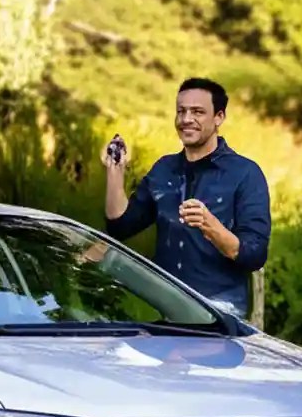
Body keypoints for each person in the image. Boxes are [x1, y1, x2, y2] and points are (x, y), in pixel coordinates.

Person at [100, 77, 271, 318]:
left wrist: (211, 227)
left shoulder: (245, 173)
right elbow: (120, 226)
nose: (186, 119)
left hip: (219, 312)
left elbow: (254, 255)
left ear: (219, 117)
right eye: (181, 111)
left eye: (198, 112)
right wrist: (115, 172)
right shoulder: (164, 169)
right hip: (169, 308)